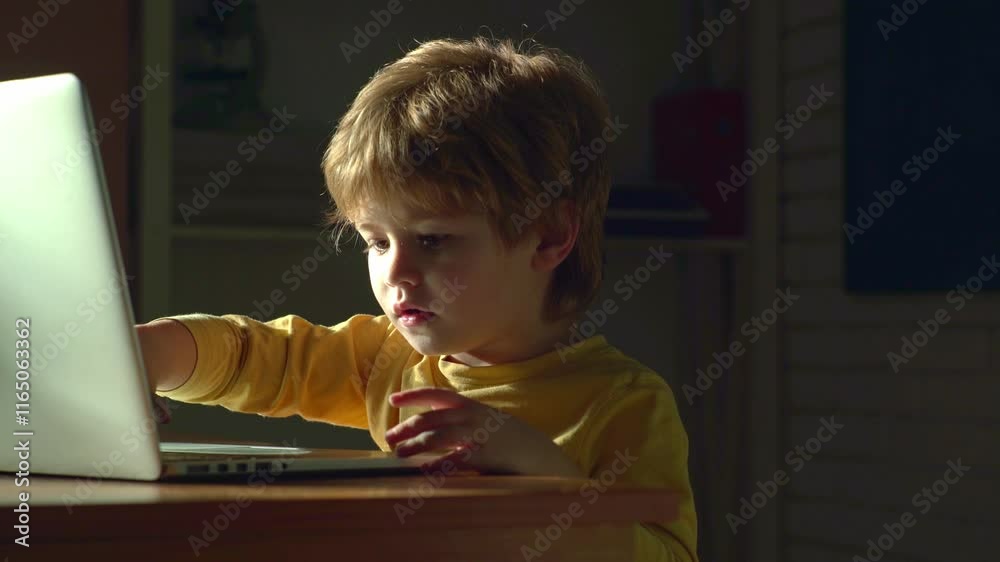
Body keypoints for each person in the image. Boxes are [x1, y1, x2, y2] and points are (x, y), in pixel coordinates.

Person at [138, 36, 697, 561]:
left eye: (433, 240)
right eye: (376, 242)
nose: (396, 272)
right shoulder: (390, 361)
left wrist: (537, 469)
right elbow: (260, 357)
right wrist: (151, 354)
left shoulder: (625, 403)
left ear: (548, 235)